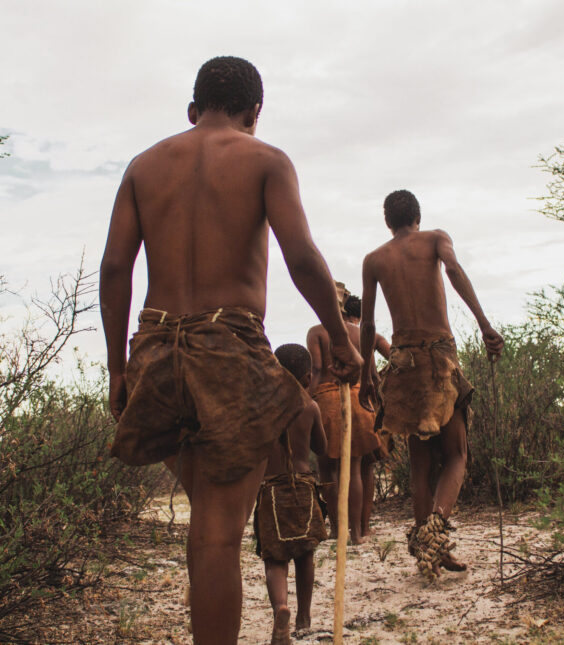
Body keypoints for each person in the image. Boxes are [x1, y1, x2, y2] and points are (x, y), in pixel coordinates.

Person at [99, 56, 361, 645]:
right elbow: (301, 260)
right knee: (216, 531)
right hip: (228, 346)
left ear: (193, 110)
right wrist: (341, 340)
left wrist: (118, 368)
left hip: (154, 348)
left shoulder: (144, 166)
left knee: (207, 520)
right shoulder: (265, 159)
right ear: (255, 114)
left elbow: (116, 267)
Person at [358, 189, 504, 580]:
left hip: (403, 364)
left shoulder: (374, 260)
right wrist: (484, 324)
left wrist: (366, 376)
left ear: (388, 222)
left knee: (422, 465)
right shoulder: (436, 238)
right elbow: (454, 271)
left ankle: (430, 549)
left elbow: (369, 325)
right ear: (417, 217)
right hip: (439, 357)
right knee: (456, 454)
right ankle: (436, 528)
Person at [253, 344, 328, 644]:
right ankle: (303, 617)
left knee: (275, 558)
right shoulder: (310, 406)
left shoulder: (261, 407)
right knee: (305, 554)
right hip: (305, 489)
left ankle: (280, 608)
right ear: (307, 378)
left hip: (271, 490)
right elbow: (321, 448)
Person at [307, 291, 389, 544]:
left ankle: (337, 530)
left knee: (328, 469)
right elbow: (393, 356)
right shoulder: (364, 333)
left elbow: (318, 369)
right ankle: (358, 531)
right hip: (361, 401)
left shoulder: (316, 332)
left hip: (328, 401)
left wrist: (305, 400)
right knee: (356, 467)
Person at [342, 294, 390, 538]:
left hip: (339, 401)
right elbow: (393, 359)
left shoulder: (331, 334)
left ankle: (351, 530)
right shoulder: (368, 336)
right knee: (367, 466)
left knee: (347, 467)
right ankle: (364, 528)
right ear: (361, 314)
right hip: (366, 402)